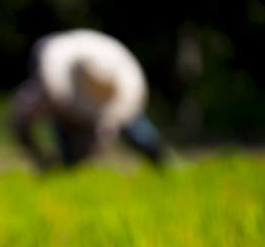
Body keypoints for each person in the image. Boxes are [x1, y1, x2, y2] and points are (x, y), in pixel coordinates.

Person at [10, 29, 165, 170]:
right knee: (71, 160)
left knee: (141, 134)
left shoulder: (106, 84)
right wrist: (39, 156)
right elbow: (22, 122)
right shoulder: (45, 92)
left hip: (101, 105)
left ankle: (160, 162)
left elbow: (101, 139)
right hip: (73, 110)